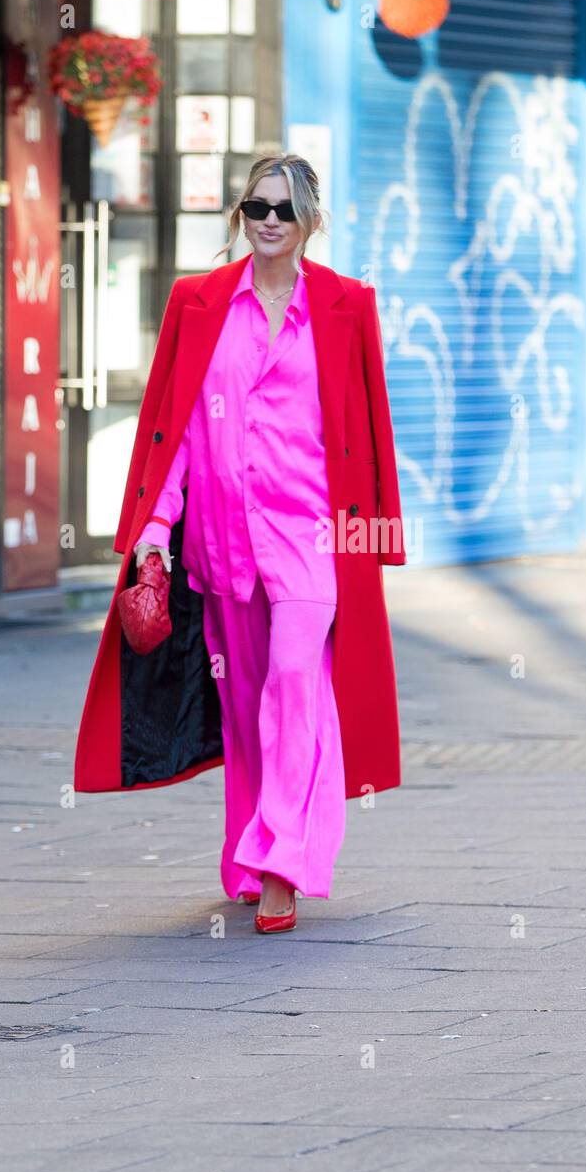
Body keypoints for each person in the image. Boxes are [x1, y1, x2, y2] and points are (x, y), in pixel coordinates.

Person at [73, 154, 407, 935]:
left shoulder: (346, 305)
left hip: (313, 535)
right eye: (255, 205)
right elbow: (176, 430)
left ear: (309, 224)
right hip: (223, 541)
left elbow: (367, 428)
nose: (266, 220)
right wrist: (155, 534)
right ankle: (248, 846)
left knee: (295, 679)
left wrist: (377, 536)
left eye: (283, 210)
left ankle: (286, 856)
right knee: (246, 695)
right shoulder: (198, 304)